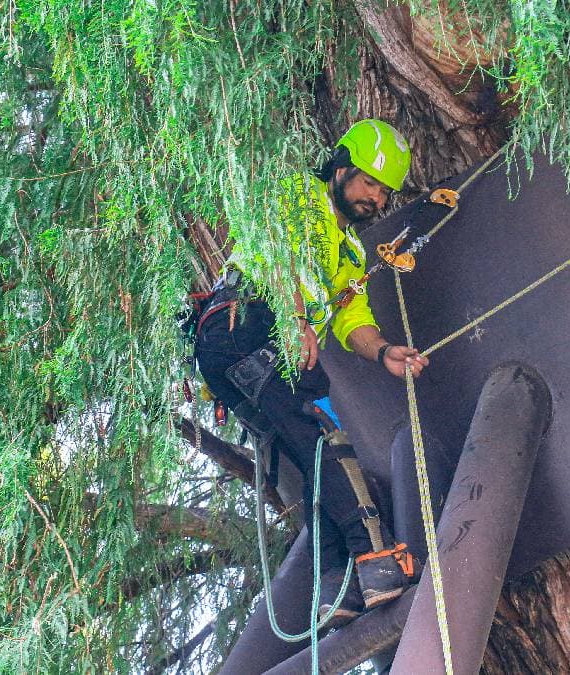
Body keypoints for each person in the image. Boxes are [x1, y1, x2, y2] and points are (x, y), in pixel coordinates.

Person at [194, 119, 429, 626]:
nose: (376, 198)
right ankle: (375, 559)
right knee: (325, 436)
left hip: (240, 346)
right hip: (250, 319)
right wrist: (296, 319)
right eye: (368, 182)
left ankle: (337, 586)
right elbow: (282, 250)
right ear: (340, 168)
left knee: (309, 451)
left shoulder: (351, 253)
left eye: (384, 192)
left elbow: (351, 318)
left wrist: (383, 351)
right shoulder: (300, 193)